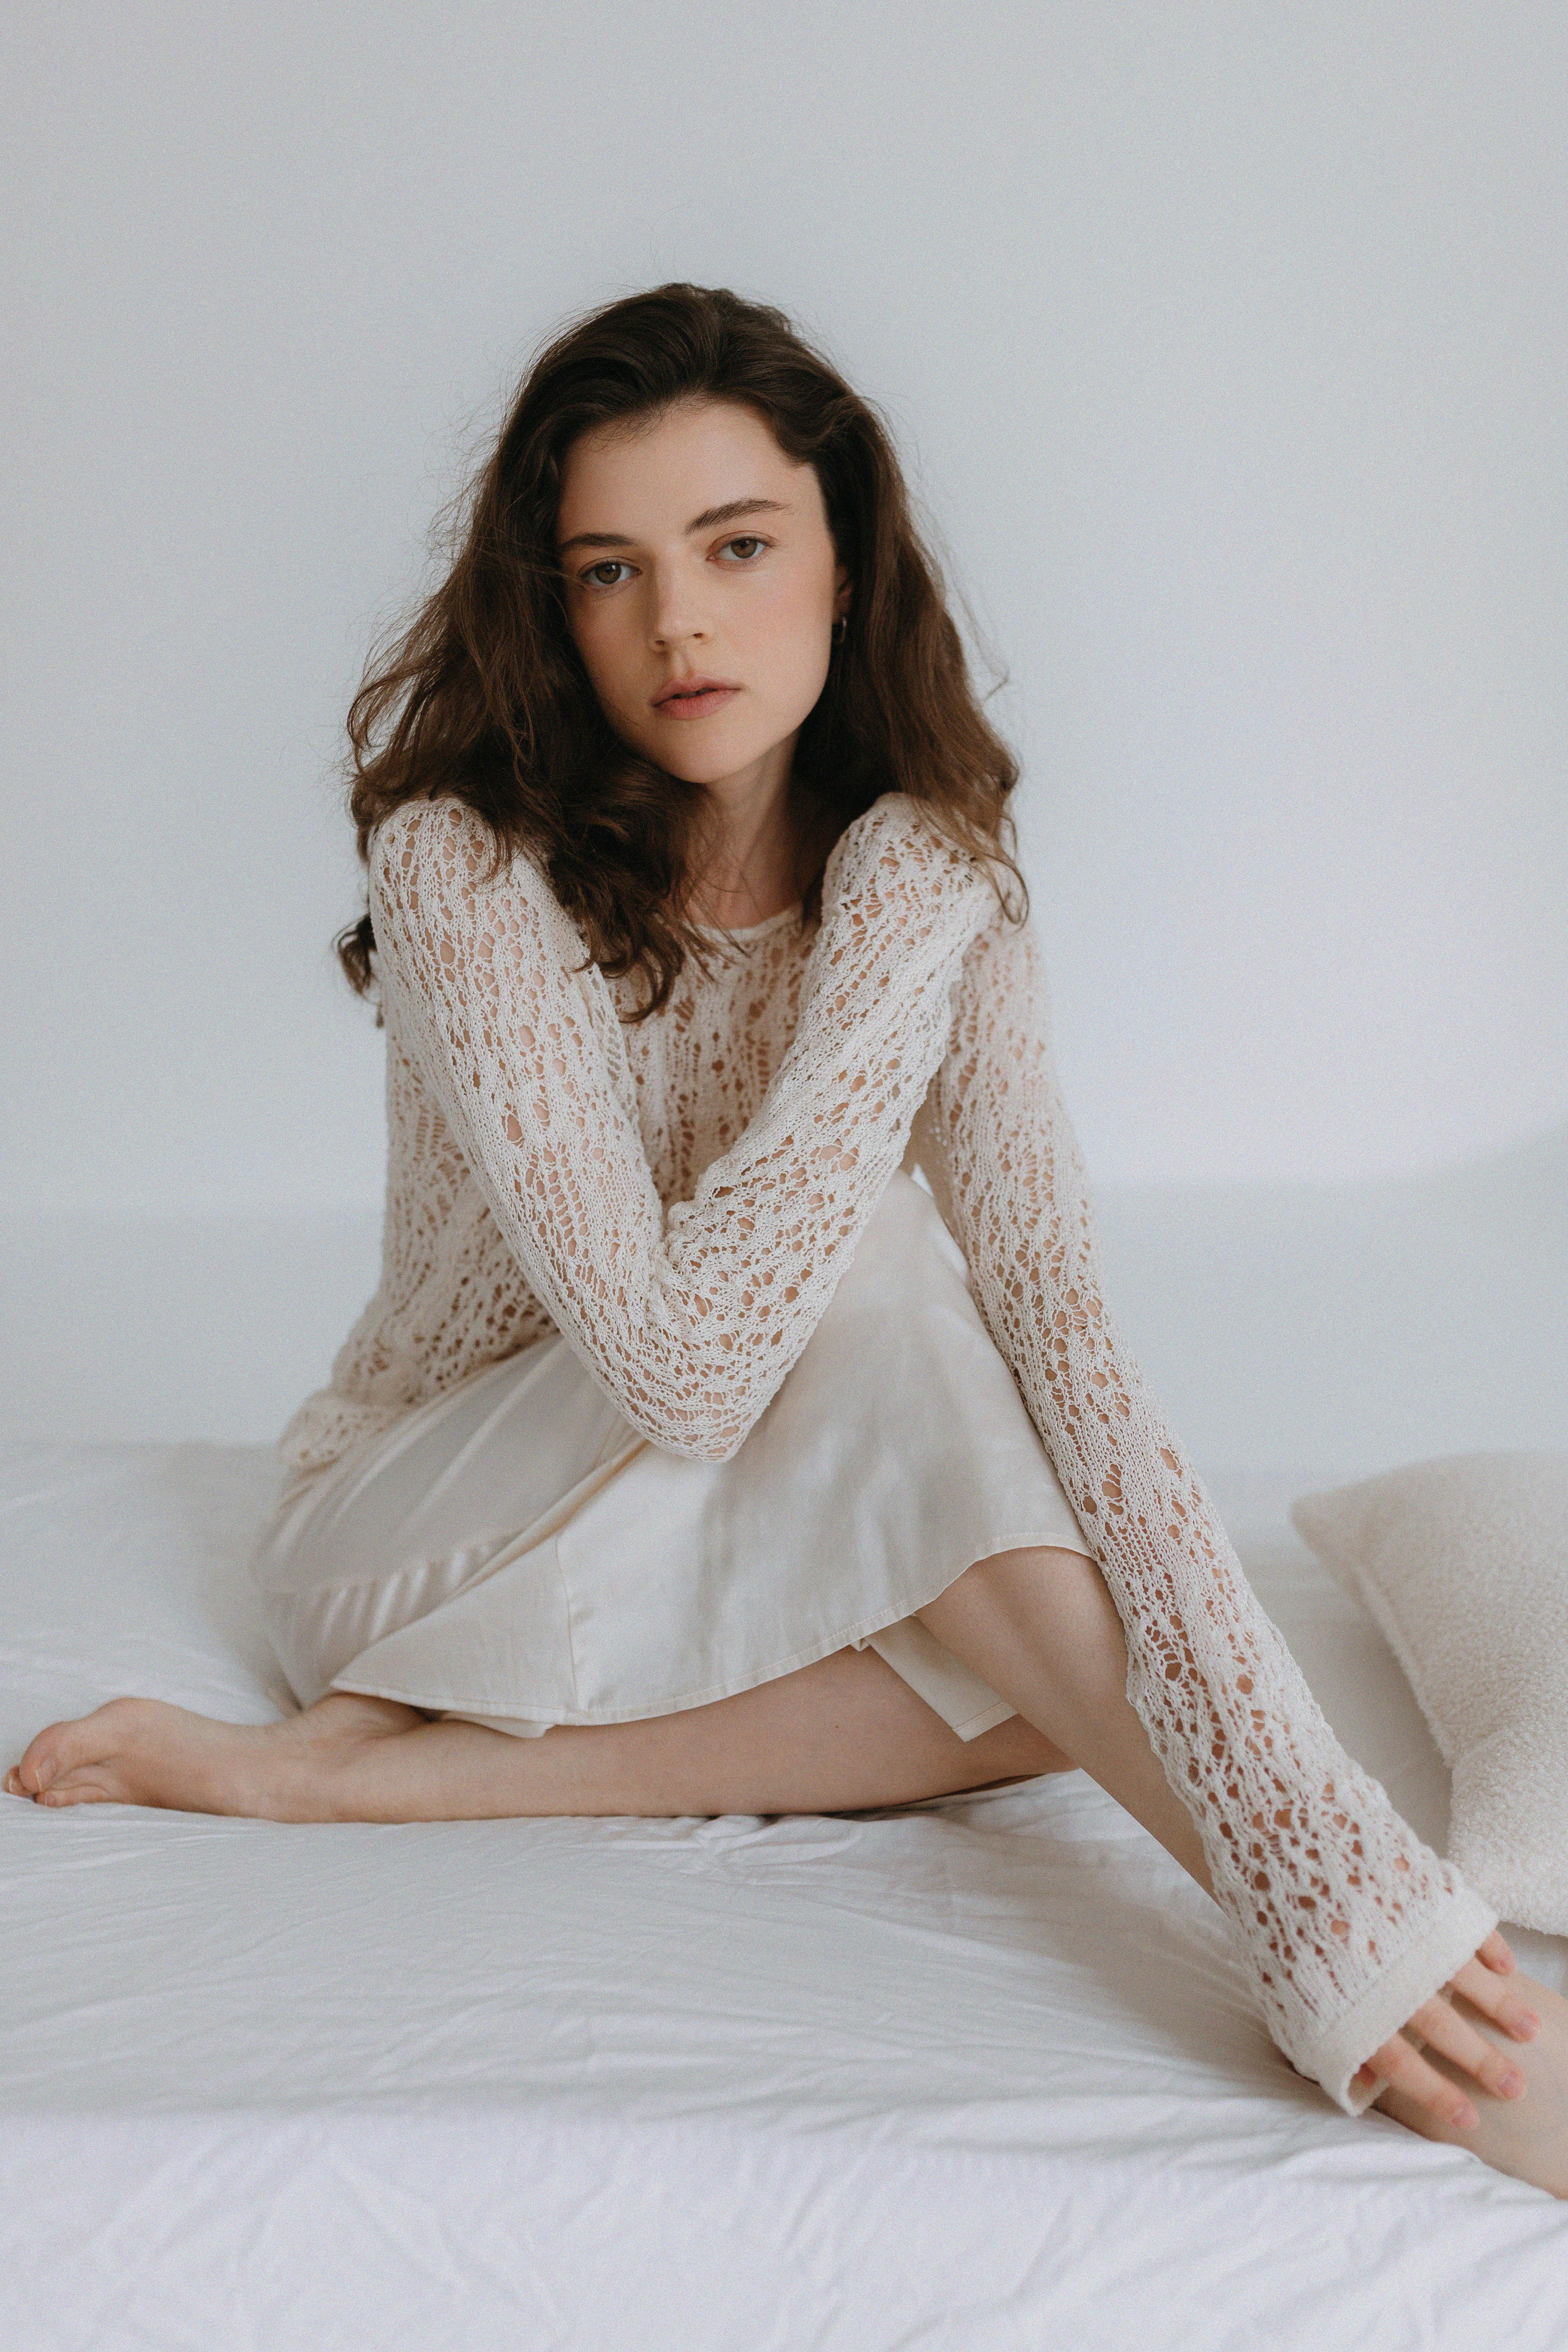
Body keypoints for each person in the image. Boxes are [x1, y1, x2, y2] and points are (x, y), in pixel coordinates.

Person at [9, 283, 1564, 2191]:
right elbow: (683, 1363)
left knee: (1057, 1667)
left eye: (737, 546)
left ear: (845, 562)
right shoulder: (462, 865)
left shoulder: (927, 874)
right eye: (607, 570)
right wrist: (889, 945)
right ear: (551, 607)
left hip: (687, 1518)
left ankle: (362, 1778)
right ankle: (1345, 1938)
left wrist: (912, 885)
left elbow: (1066, 1326)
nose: (677, 621)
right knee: (904, 1308)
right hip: (424, 1532)